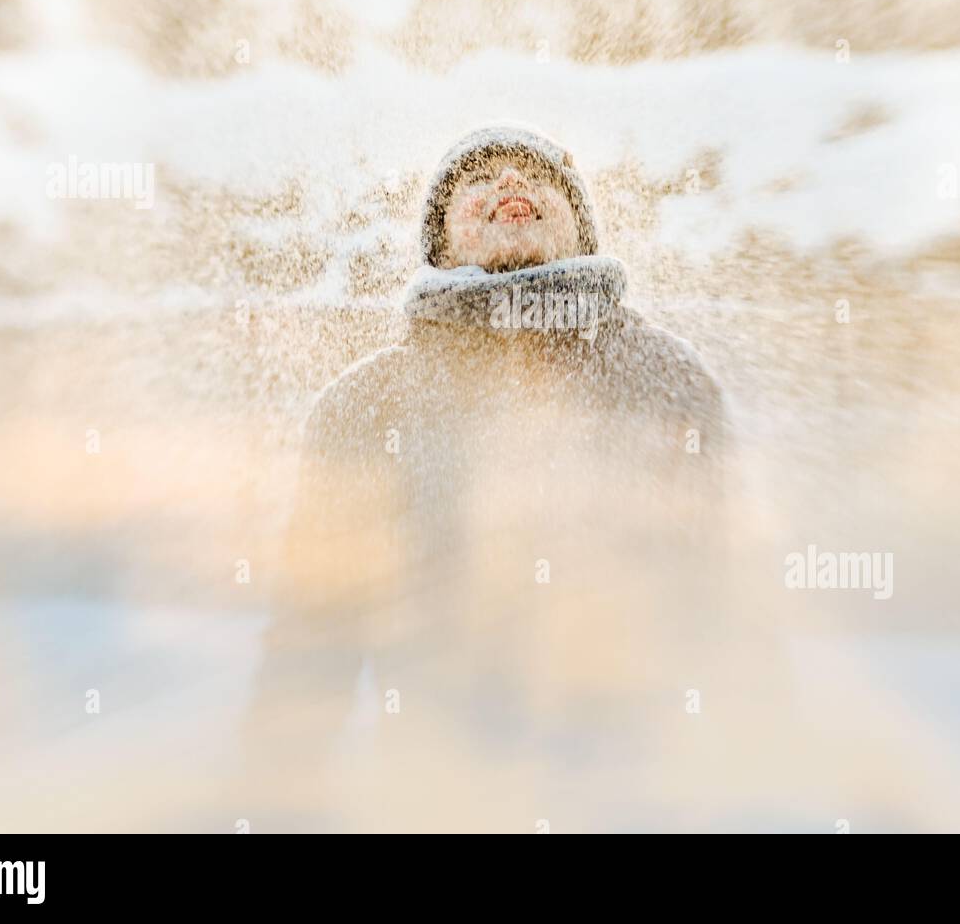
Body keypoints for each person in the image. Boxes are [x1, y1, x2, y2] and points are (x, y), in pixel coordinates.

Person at [246, 127, 733, 817]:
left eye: (541, 178)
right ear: (440, 244)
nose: (511, 184)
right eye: (480, 179)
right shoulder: (360, 409)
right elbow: (309, 647)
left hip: (635, 803)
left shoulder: (670, 380)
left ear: (583, 233)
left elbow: (731, 615)